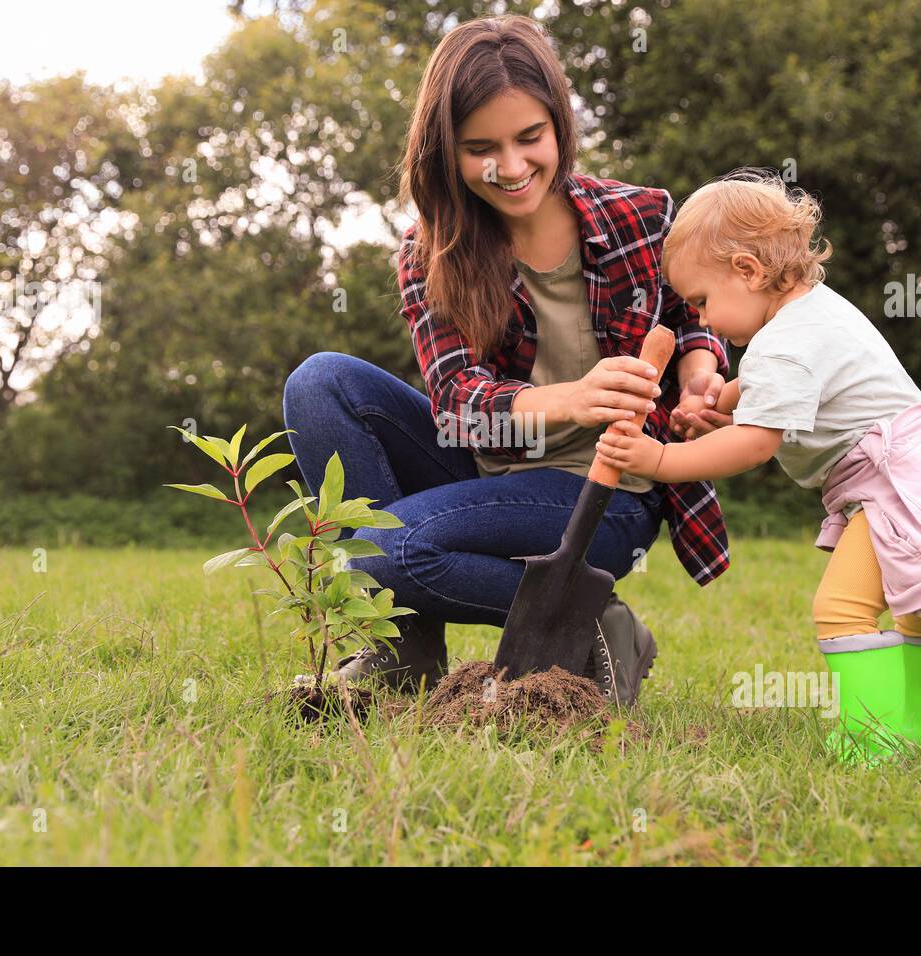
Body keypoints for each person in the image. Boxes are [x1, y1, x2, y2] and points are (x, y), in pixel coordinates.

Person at [282, 15, 733, 704]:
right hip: (491, 461)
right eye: (482, 148)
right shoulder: (430, 253)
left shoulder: (643, 217)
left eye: (531, 138)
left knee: (386, 552)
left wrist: (702, 373)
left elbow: (692, 316)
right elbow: (458, 402)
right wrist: (572, 398)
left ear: (559, 125)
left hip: (605, 493)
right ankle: (401, 652)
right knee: (320, 384)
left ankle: (596, 626)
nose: (514, 167)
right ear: (445, 150)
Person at [595, 169, 921, 758]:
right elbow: (757, 392)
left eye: (701, 301)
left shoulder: (784, 344)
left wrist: (662, 456)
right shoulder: (811, 313)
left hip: (897, 481)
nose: (699, 320)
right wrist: (717, 402)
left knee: (842, 607)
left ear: (746, 272)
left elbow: (755, 444)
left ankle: (870, 747)